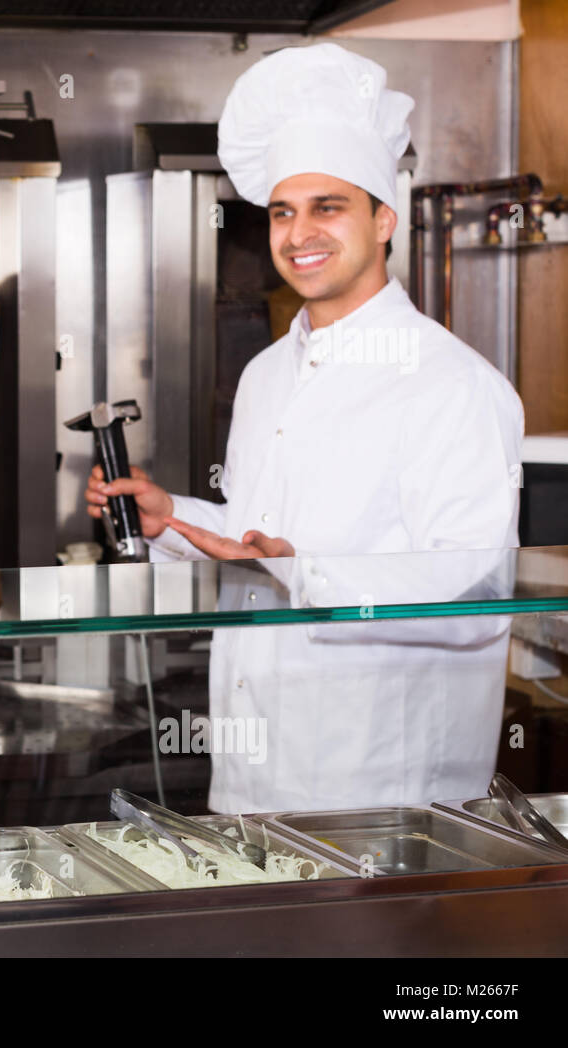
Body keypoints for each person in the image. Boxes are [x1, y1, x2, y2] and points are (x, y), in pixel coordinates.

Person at [86, 43, 524, 815]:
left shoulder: (454, 386)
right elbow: (265, 540)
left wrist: (306, 568)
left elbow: (476, 598)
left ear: (384, 217)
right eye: (283, 212)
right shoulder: (266, 375)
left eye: (329, 207)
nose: (298, 233)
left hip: (385, 802)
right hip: (254, 782)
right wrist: (174, 518)